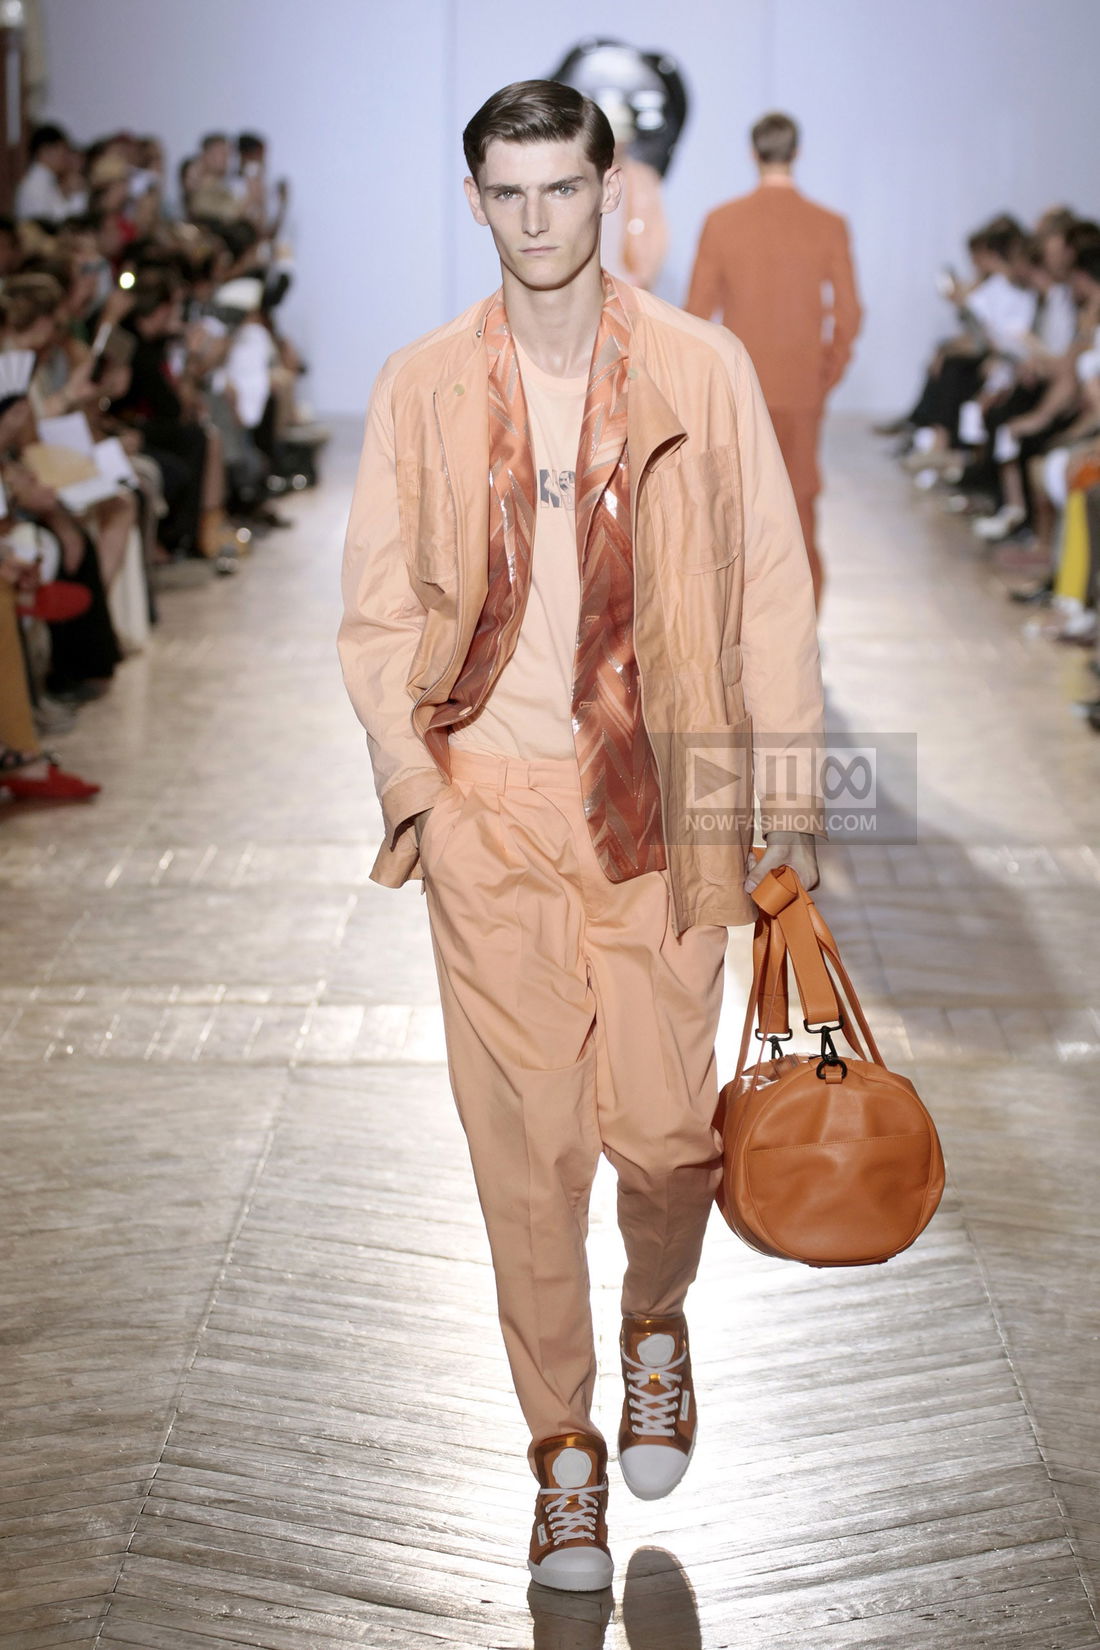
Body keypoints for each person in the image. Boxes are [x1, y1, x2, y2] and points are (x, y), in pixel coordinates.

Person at [338, 80, 824, 1593]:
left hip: (670, 795)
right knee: (528, 1154)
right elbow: (376, 612)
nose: (538, 218)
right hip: (490, 805)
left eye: (564, 187)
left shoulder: (701, 367)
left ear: (610, 190)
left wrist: (785, 804)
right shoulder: (423, 384)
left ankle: (655, 1323)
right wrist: (421, 793)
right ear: (475, 201)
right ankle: (562, 1451)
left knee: (670, 1137)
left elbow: (768, 591)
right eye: (511, 191)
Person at [685, 111, 861, 607]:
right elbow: (848, 312)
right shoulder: (828, 225)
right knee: (799, 499)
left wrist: (708, 381)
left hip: (740, 385)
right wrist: (824, 373)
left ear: (753, 153)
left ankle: (740, 614)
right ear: (796, 152)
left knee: (736, 501)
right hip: (801, 382)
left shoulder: (722, 222)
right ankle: (801, 616)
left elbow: (697, 313)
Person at [15, 123, 87, 223]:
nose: (65, 158)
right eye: (63, 151)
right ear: (45, 151)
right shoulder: (35, 185)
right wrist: (74, 194)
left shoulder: (46, 181)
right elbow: (51, 223)